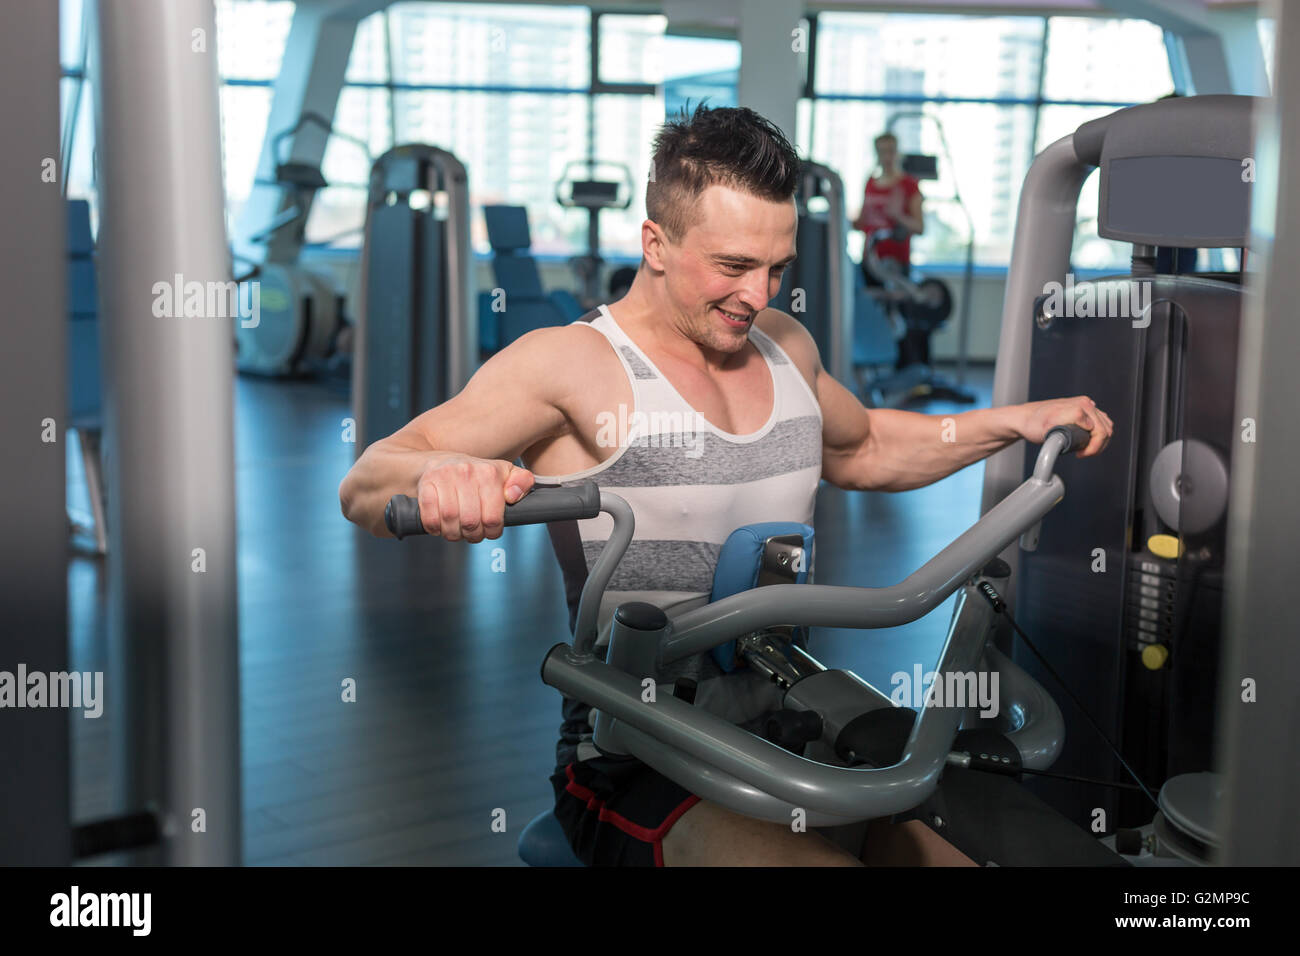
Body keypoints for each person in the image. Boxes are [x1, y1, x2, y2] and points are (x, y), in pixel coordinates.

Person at [338, 105, 1114, 867]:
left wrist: (1014, 420)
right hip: (636, 752)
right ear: (656, 244)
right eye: (735, 266)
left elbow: (868, 444)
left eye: (777, 267)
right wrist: (445, 474)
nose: (760, 294)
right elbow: (371, 476)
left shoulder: (784, 345)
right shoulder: (570, 365)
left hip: (789, 721)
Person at [853, 131, 928, 369]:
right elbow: (863, 222)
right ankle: (877, 371)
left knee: (900, 319)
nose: (886, 156)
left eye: (890, 151)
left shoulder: (908, 185)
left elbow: (919, 226)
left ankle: (908, 372)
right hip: (870, 261)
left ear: (897, 153)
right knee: (872, 318)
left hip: (895, 263)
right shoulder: (870, 182)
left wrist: (897, 216)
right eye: (882, 151)